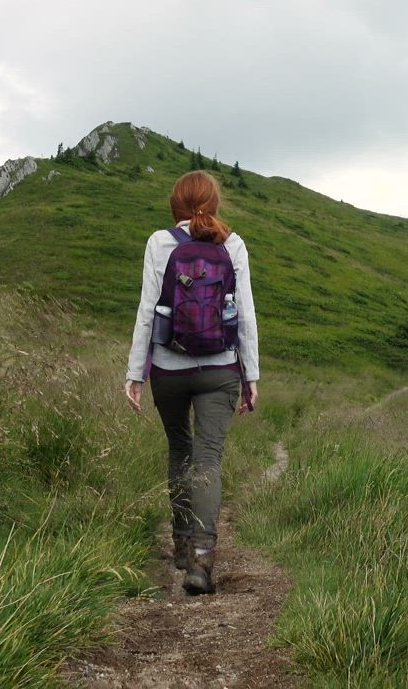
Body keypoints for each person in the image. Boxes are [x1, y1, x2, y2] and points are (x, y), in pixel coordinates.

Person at [124, 170, 260, 595]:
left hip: (169, 368)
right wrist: (250, 374)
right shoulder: (233, 244)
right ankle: (201, 563)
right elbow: (247, 314)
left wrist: (134, 373)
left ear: (175, 205)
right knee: (209, 458)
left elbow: (148, 310)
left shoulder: (159, 242)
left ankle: (181, 547)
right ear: (215, 203)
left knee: (180, 449)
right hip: (220, 369)